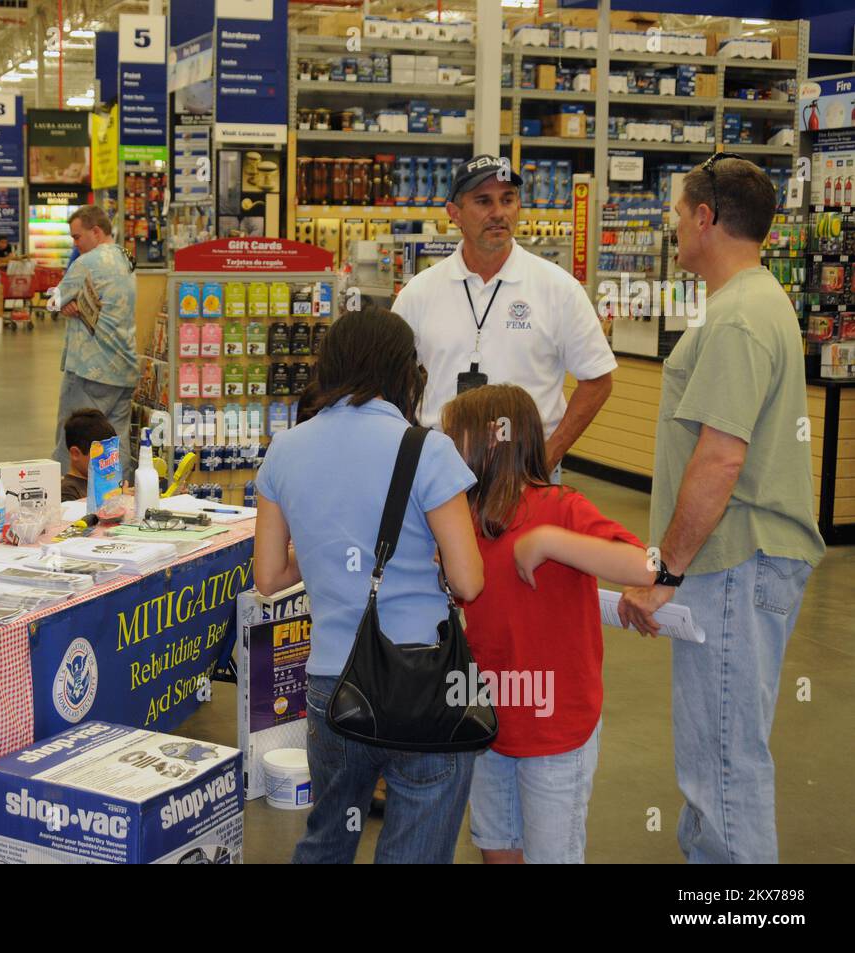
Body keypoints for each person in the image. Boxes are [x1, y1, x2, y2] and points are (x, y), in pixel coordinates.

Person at [617, 156, 825, 865]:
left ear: (706, 219)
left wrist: (663, 571)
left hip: (734, 559)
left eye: (679, 213)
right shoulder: (756, 301)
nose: (675, 225)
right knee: (715, 752)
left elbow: (720, 460)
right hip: (739, 561)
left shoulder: (738, 318)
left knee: (725, 764)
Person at [254, 306, 484, 864]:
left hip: (333, 684)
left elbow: (269, 578)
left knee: (328, 836)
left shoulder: (285, 450)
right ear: (404, 372)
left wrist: (327, 547)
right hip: (426, 682)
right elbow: (469, 581)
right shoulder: (428, 450)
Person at [442, 383, 656, 864]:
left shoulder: (561, 508)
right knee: (497, 849)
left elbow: (649, 565)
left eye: (456, 436)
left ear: (494, 439)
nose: (447, 447)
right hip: (488, 721)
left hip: (557, 728)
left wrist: (550, 542)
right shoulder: (464, 517)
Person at [392, 155, 615, 477]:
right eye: (483, 201)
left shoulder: (558, 289)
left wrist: (547, 458)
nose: (498, 213)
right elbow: (390, 377)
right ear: (454, 213)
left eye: (507, 199)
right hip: (440, 466)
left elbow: (597, 380)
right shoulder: (419, 292)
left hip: (525, 467)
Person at [50, 205, 137, 476]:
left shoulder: (87, 262)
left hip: (91, 369)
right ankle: (118, 497)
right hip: (124, 366)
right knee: (116, 440)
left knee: (72, 439)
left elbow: (54, 300)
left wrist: (63, 303)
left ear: (96, 232)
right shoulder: (126, 259)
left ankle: (65, 499)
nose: (75, 244)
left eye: (77, 237)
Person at [59, 408, 118, 502]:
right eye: (101, 457)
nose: (108, 463)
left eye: (112, 456)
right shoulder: (67, 491)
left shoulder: (102, 481)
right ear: (75, 454)